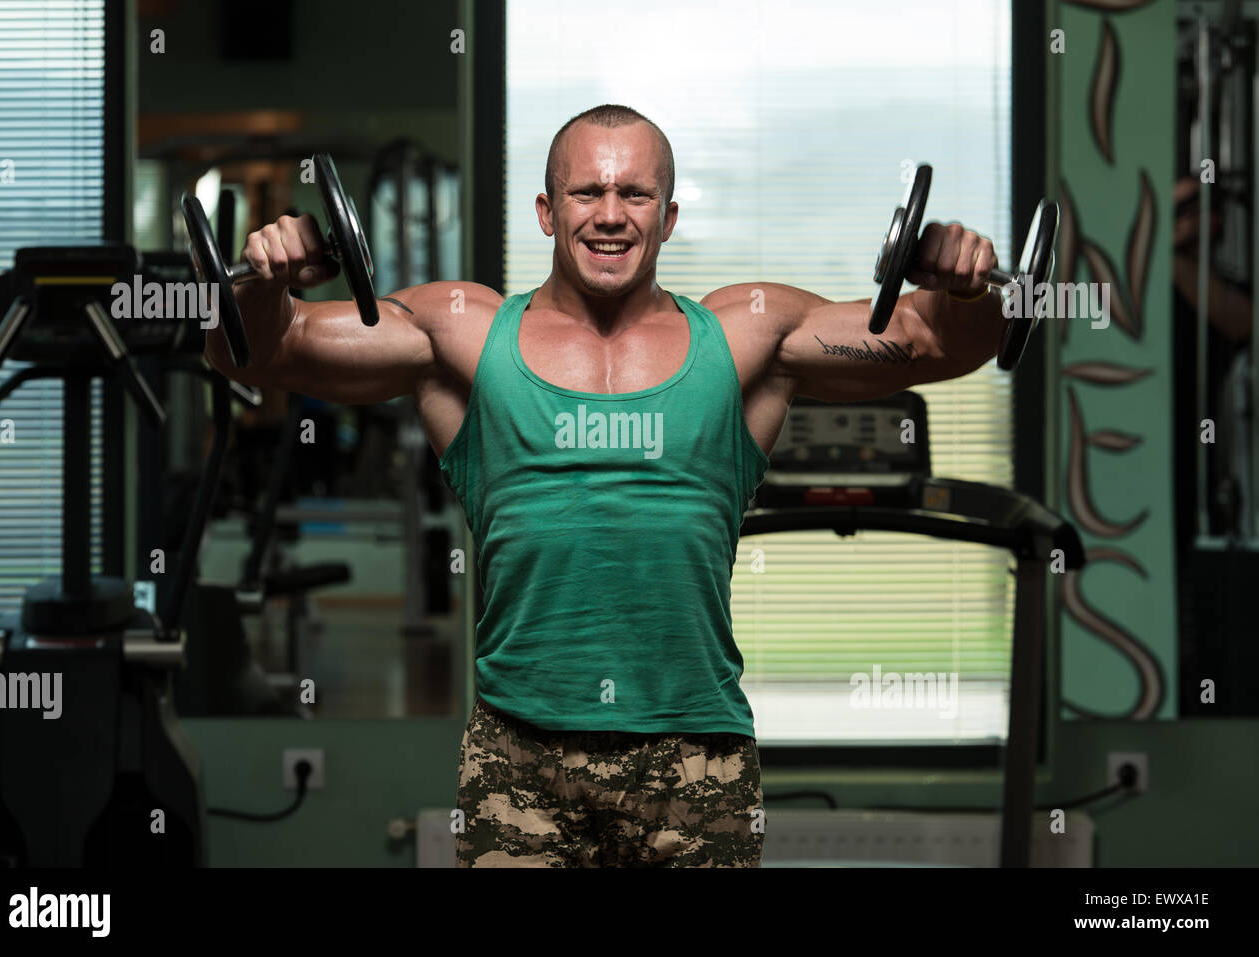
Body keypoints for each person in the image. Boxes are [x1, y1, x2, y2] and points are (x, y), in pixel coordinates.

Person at [206, 104, 1007, 867]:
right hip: (520, 754)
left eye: (636, 192)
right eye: (587, 190)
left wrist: (968, 284)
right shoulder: (462, 331)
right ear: (547, 210)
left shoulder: (746, 334)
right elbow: (256, 350)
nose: (612, 213)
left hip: (698, 756)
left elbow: (934, 339)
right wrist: (264, 277)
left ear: (670, 215)